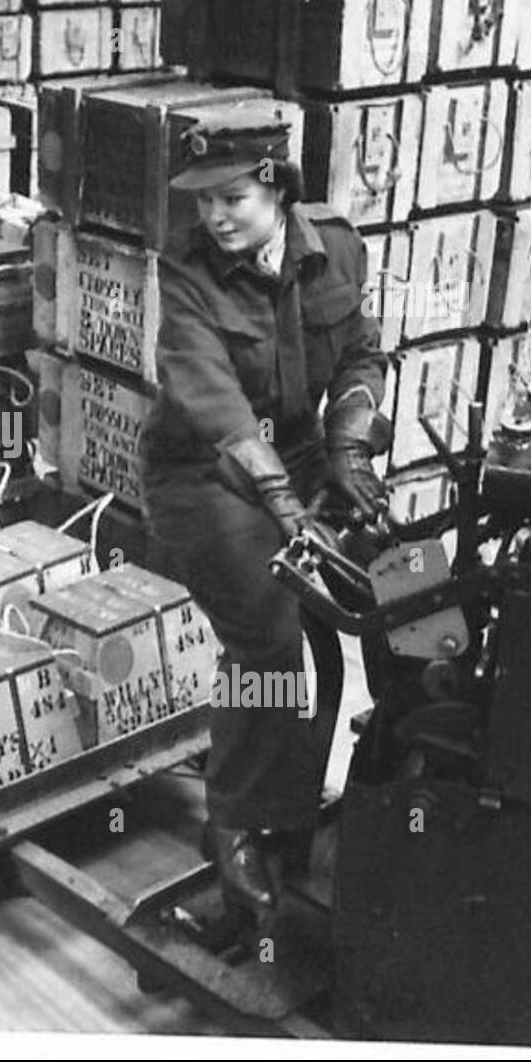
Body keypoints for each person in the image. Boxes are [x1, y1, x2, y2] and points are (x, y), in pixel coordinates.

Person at [140, 120, 391, 919]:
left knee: (401, 577)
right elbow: (211, 398)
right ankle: (238, 824)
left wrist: (350, 449)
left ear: (277, 187)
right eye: (205, 200)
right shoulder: (185, 273)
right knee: (272, 631)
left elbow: (359, 355)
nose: (216, 216)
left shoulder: (338, 250)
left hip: (306, 456)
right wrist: (283, 503)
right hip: (201, 472)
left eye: (234, 197)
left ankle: (371, 780)